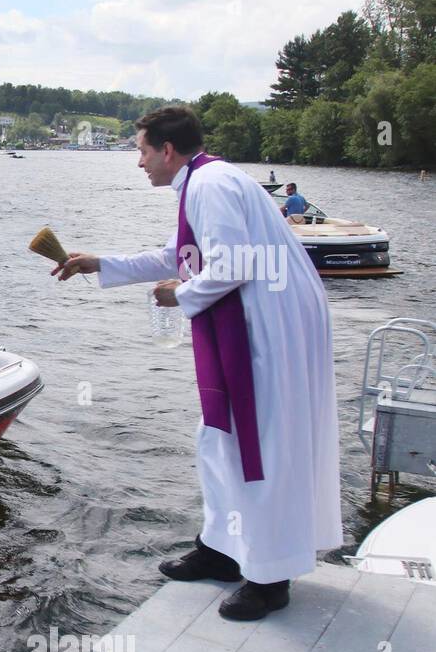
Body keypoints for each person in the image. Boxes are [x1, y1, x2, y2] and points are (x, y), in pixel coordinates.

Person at [51, 105, 342, 621]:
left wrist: (181, 294)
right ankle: (223, 548)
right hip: (259, 317)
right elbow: (177, 256)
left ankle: (271, 577)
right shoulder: (201, 182)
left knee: (261, 441)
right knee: (220, 434)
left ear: (167, 150)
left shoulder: (209, 185)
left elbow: (231, 264)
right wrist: (99, 263)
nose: (138, 162)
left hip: (269, 325)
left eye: (141, 150)